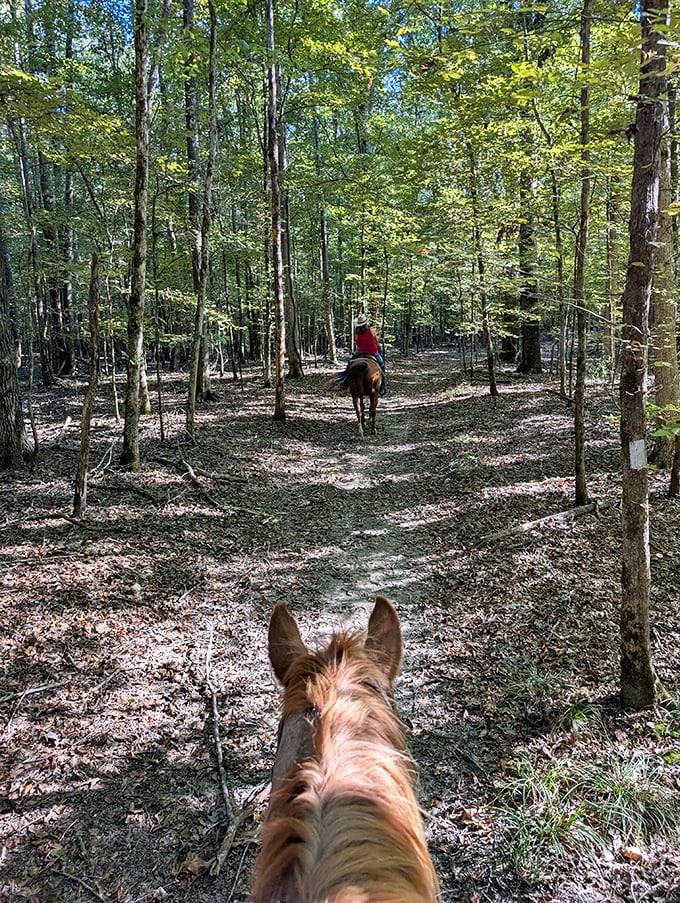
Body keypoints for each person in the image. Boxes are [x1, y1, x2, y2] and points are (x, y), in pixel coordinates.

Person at [350, 313, 386, 395]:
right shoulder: (371, 330)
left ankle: (348, 382)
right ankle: (383, 387)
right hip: (373, 352)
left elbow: (357, 343)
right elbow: (376, 340)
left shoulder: (357, 333)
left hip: (361, 352)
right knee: (382, 365)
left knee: (350, 362)